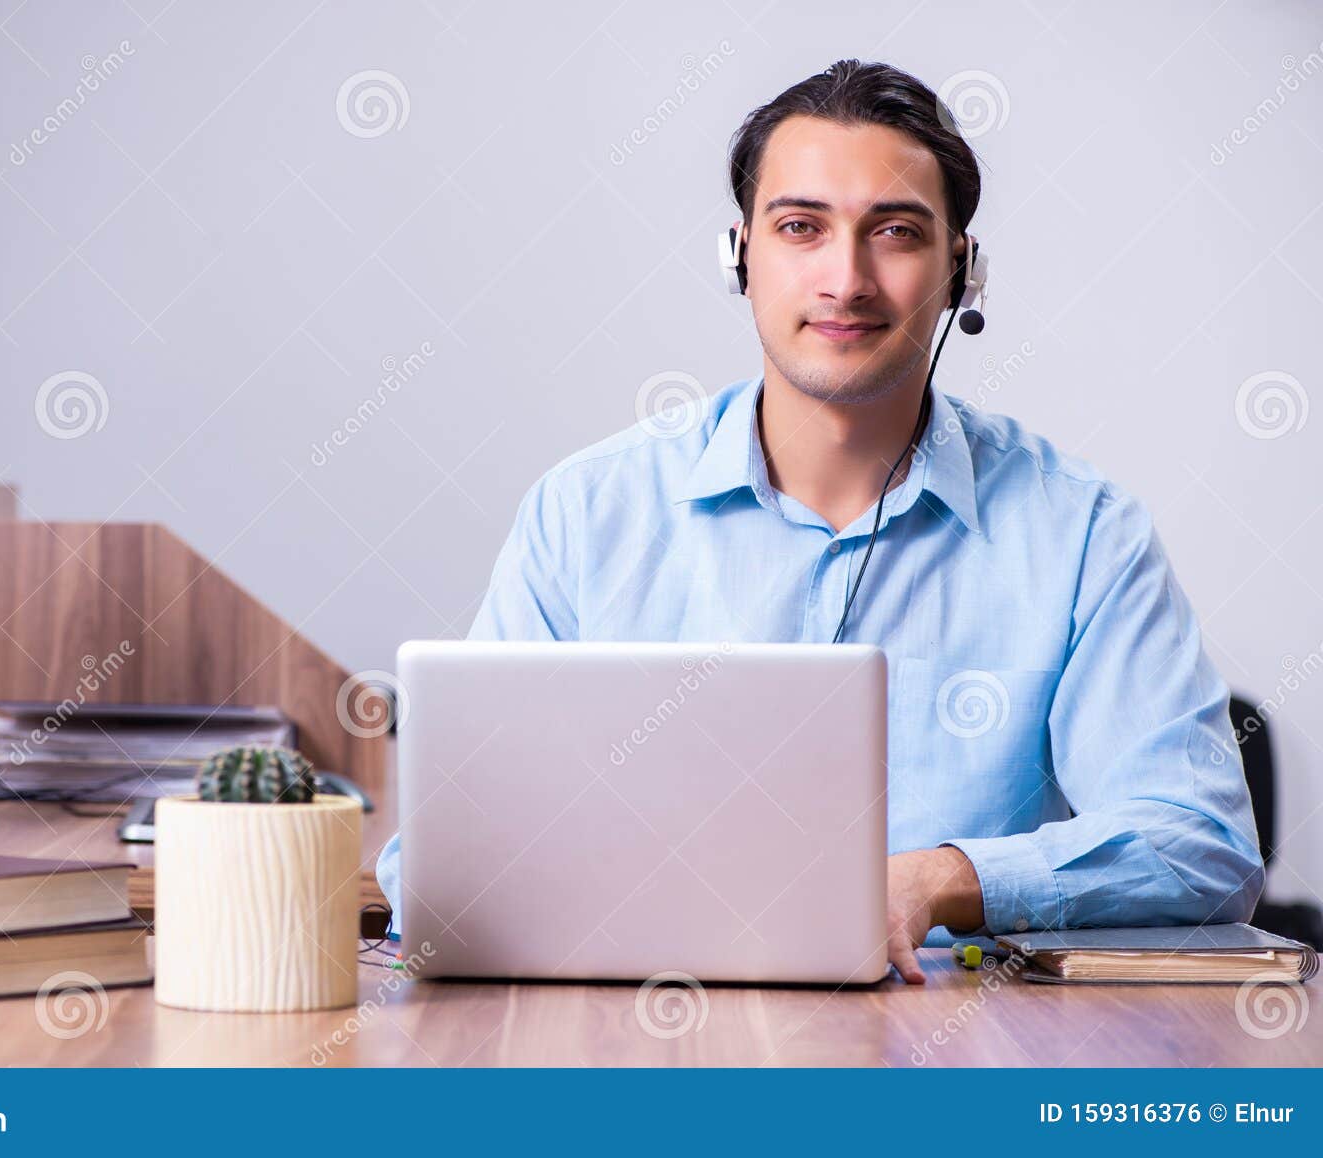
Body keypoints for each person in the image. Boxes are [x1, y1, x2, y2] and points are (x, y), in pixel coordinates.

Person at [377, 58, 1262, 984]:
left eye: (896, 232)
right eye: (801, 227)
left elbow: (1199, 842)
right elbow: (439, 866)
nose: (846, 279)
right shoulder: (587, 513)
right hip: (640, 1046)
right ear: (740, 256)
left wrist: (937, 881)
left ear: (962, 269)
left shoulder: (1082, 532)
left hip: (950, 1059)